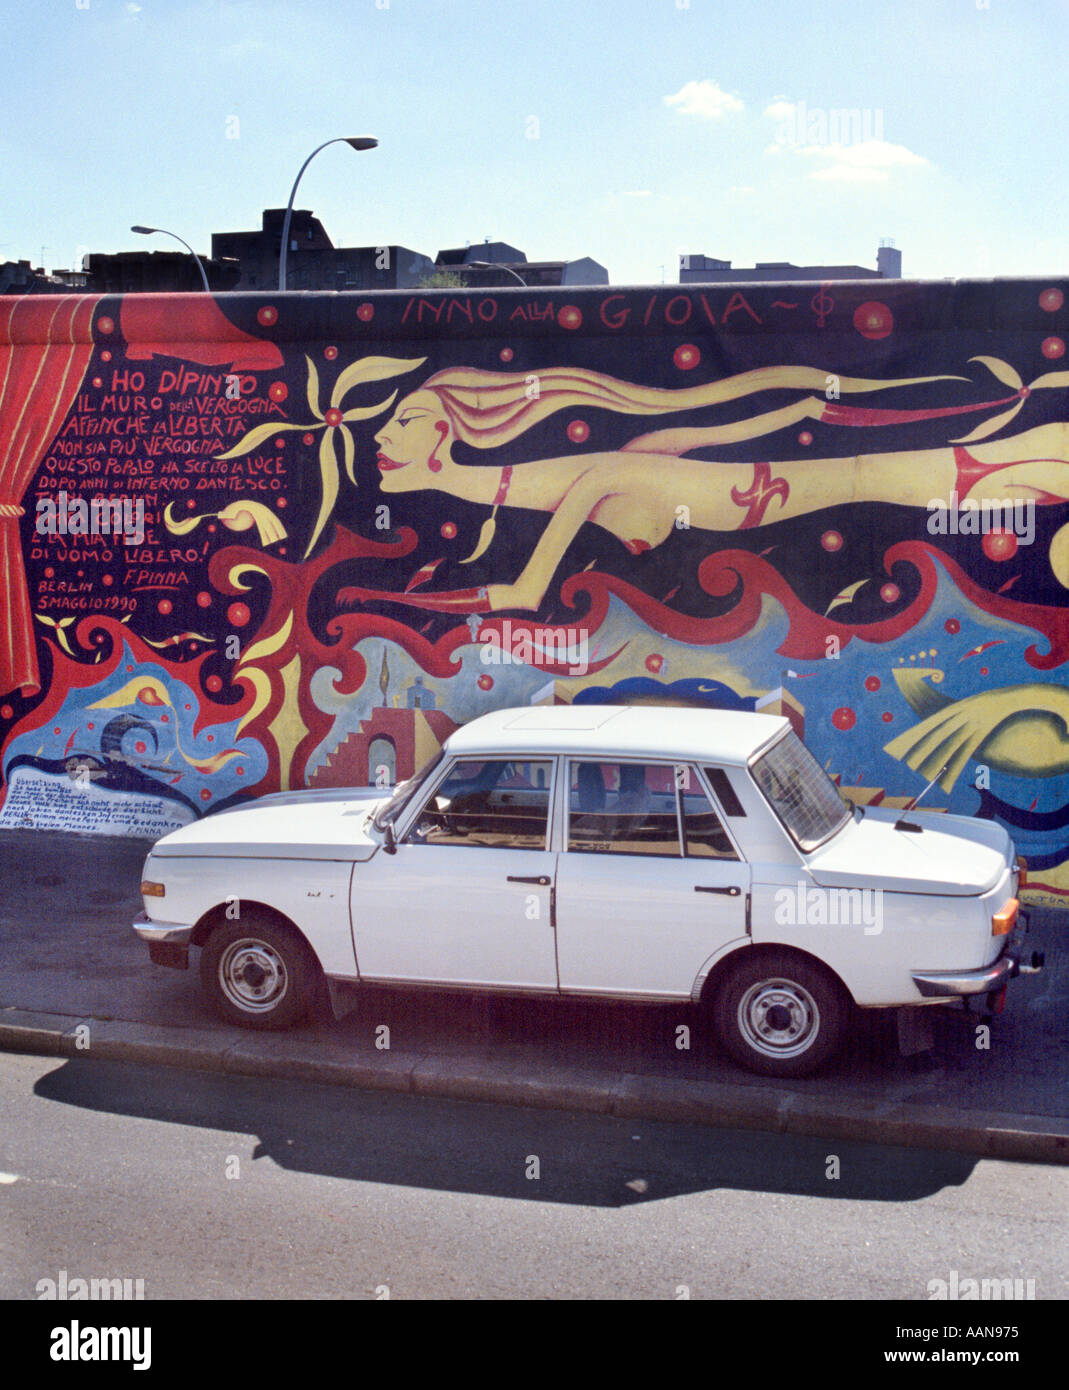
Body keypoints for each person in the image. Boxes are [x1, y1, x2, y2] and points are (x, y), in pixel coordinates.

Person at [362, 361, 1069, 613]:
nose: (382, 436)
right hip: (781, 486)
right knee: (924, 475)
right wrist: (800, 408)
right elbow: (705, 432)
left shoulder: (602, 474)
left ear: (444, 434)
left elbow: (521, 593)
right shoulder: (614, 466)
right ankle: (1021, 462)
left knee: (917, 475)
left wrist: (381, 596)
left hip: (785, 487)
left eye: (403, 420)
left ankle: (1023, 462)